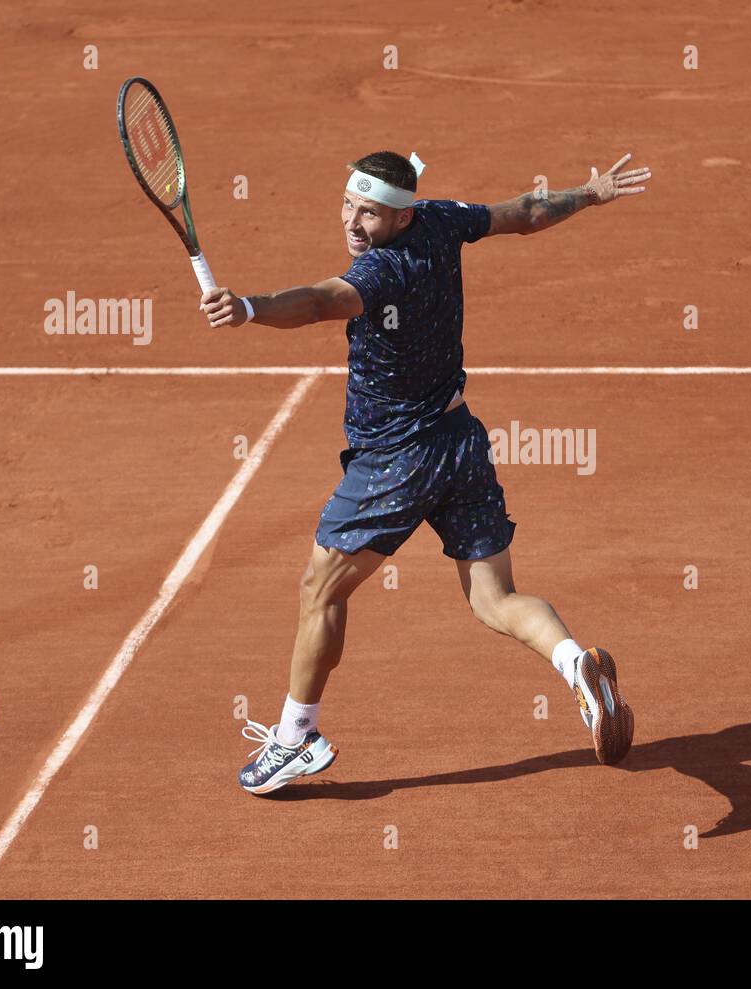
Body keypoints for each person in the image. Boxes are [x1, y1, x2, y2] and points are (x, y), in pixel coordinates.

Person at [199, 150, 652, 794]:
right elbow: (523, 212)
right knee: (493, 598)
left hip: (396, 459)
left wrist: (248, 309)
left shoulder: (383, 272)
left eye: (370, 213)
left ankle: (295, 738)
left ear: (400, 213)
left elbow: (321, 300)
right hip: (459, 438)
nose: (355, 223)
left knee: (319, 591)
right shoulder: (441, 220)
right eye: (348, 205)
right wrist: (591, 192)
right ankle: (577, 664)